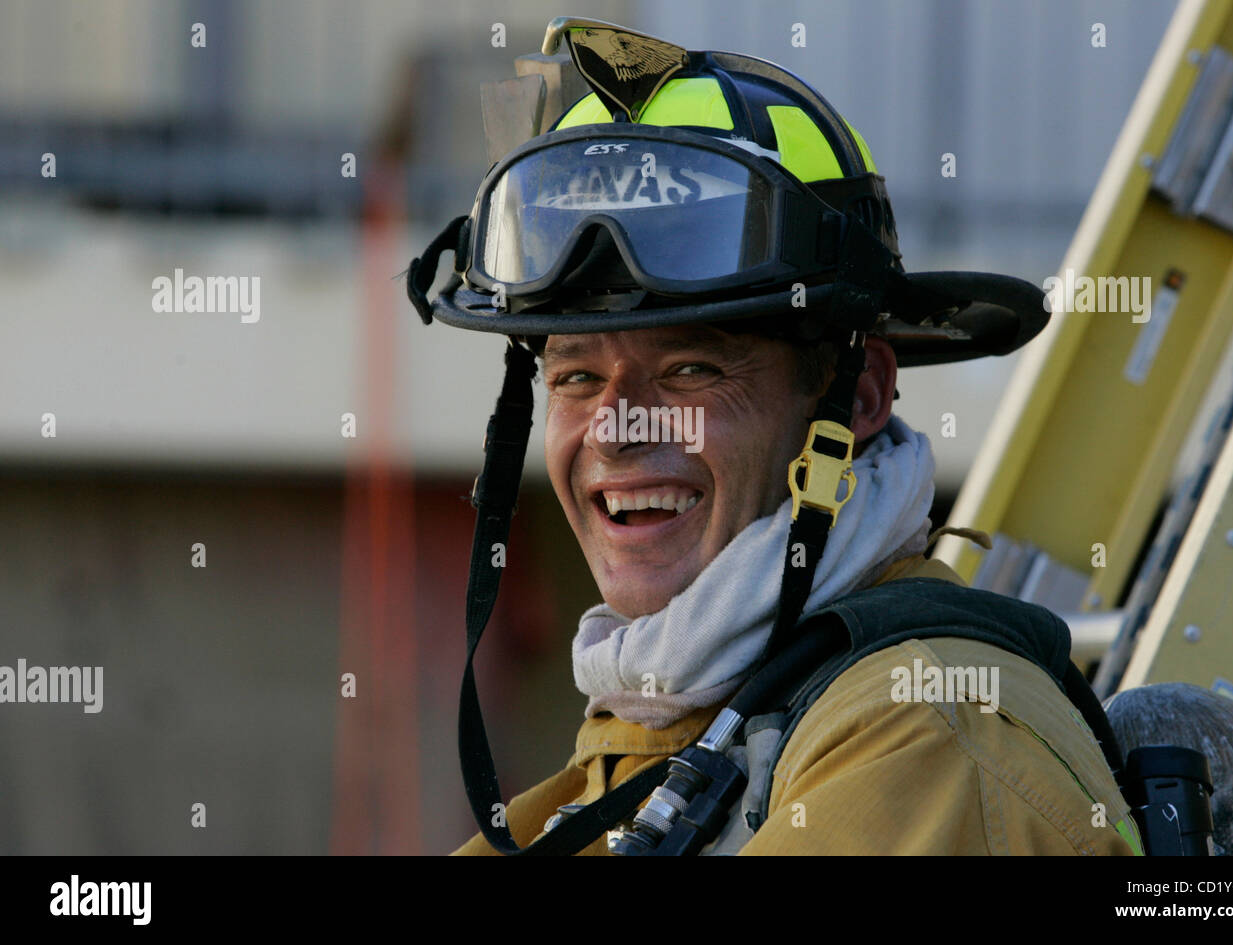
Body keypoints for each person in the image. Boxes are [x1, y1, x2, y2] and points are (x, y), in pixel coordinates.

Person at [407, 17, 1142, 855]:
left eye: (690, 369)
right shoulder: (663, 733)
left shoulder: (925, 739)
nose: (616, 428)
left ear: (860, 396)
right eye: (576, 375)